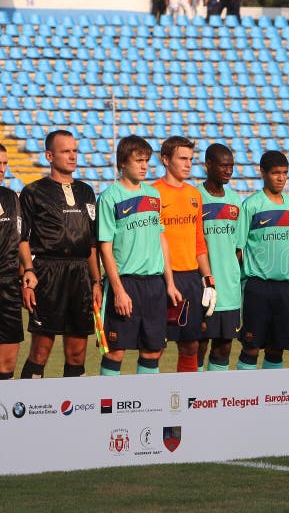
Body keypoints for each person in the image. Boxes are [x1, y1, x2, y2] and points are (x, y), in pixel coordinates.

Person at [18, 130, 102, 380]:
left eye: (74, 150)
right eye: (66, 151)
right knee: (40, 351)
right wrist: (28, 274)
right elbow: (23, 239)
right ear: (49, 156)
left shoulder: (86, 191)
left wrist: (96, 281)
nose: (72, 156)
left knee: (77, 354)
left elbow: (92, 242)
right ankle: (26, 402)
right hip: (47, 273)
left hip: (80, 275)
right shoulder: (33, 192)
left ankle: (74, 404)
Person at [97, 135, 181, 375]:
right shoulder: (110, 197)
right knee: (115, 352)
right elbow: (105, 248)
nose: (144, 166)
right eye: (138, 161)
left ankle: (147, 400)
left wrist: (170, 283)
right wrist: (119, 291)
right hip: (126, 283)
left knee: (153, 351)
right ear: (123, 162)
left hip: (154, 284)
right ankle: (107, 400)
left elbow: (161, 238)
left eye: (146, 161)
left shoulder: (154, 195)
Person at [152, 136, 216, 373]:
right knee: (155, 347)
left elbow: (199, 242)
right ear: (166, 160)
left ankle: (187, 394)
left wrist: (208, 280)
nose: (188, 164)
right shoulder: (153, 193)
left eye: (190, 159)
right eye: (182, 158)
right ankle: (147, 395)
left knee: (191, 345)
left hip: (190, 278)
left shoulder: (194, 195)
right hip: (161, 278)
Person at [238, 151, 289, 371]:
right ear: (263, 173)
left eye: (284, 173)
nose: (281, 178)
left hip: (285, 287)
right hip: (257, 286)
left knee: (277, 348)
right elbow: (239, 248)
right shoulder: (251, 205)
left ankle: (271, 394)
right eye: (275, 173)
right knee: (251, 347)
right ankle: (244, 391)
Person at [196, 144, 241, 372]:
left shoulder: (235, 201)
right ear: (208, 165)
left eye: (231, 166)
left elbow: (238, 247)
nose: (228, 170)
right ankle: (192, 392)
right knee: (198, 346)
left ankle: (214, 394)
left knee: (224, 348)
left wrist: (230, 272)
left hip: (230, 290)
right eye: (223, 165)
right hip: (202, 287)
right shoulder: (195, 197)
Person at [0, 145, 24, 380]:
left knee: (7, 363)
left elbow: (21, 239)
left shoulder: (11, 197)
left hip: (9, 285)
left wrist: (26, 272)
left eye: (4, 163)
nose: (1, 169)